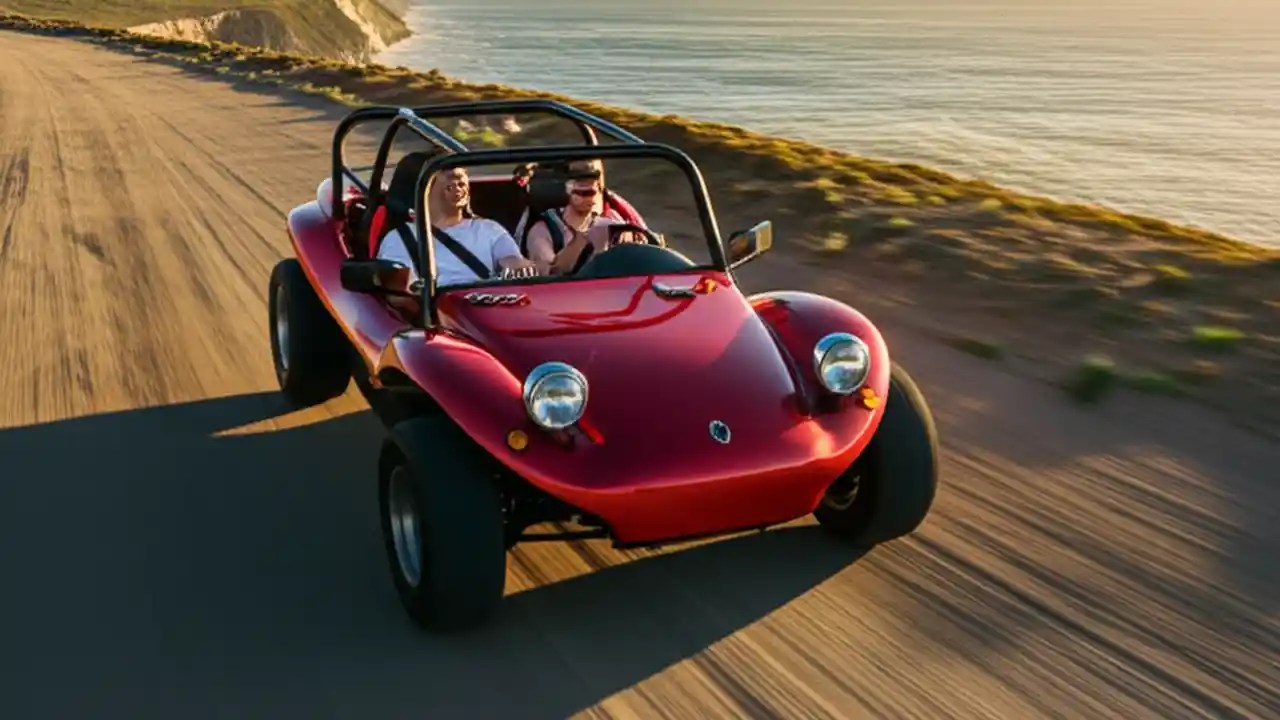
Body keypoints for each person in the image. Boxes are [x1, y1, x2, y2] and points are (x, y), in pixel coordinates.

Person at [377, 165, 537, 286]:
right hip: (434, 318)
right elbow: (398, 295)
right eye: (447, 175)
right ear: (420, 188)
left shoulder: (488, 229)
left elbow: (511, 259)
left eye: (462, 177)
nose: (458, 179)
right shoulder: (399, 238)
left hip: (484, 307)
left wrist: (520, 267)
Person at [522, 158, 645, 275]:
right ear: (567, 190)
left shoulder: (612, 220)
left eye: (593, 192)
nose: (590, 198)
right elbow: (550, 274)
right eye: (584, 193)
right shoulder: (543, 230)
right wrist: (583, 240)